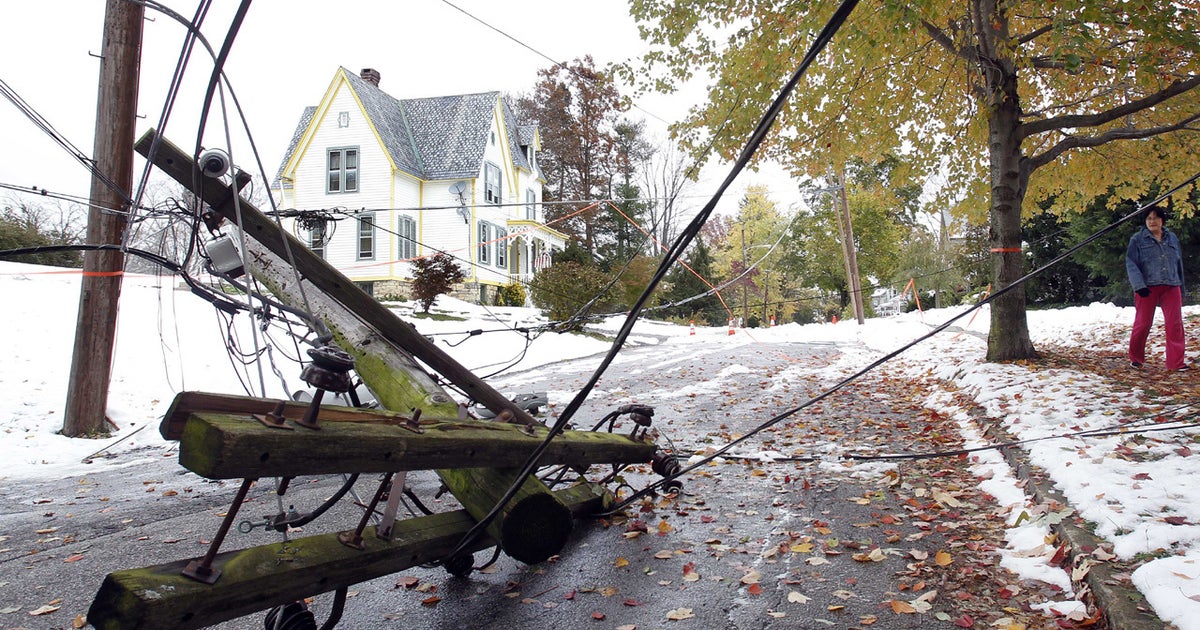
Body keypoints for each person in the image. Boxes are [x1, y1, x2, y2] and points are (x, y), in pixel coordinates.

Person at [1126, 204, 1187, 370]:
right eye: (1149, 218)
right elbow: (1131, 264)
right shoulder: (1137, 240)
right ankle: (1136, 358)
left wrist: (1181, 287)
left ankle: (1176, 363)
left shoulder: (1172, 238)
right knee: (1143, 324)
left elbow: (1178, 262)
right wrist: (1139, 286)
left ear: (1162, 220)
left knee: (1175, 325)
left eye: (1155, 218)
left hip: (1171, 285)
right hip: (1147, 288)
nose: (1152, 221)